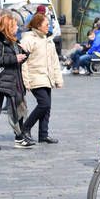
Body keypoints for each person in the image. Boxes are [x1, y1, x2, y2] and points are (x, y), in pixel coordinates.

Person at [0, 12, 34, 150]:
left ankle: (19, 138)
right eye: (15, 25)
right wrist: (14, 58)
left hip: (13, 79)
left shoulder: (12, 40)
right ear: (8, 26)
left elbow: (18, 58)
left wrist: (25, 54)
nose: (17, 28)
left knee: (19, 107)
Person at [19, 12, 63, 144]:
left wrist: (58, 79)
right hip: (35, 76)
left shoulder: (48, 40)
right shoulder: (28, 40)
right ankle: (25, 128)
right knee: (44, 104)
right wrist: (26, 81)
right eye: (46, 24)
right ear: (38, 25)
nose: (48, 26)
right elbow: (24, 62)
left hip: (47, 77)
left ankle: (43, 134)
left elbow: (54, 62)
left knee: (47, 107)